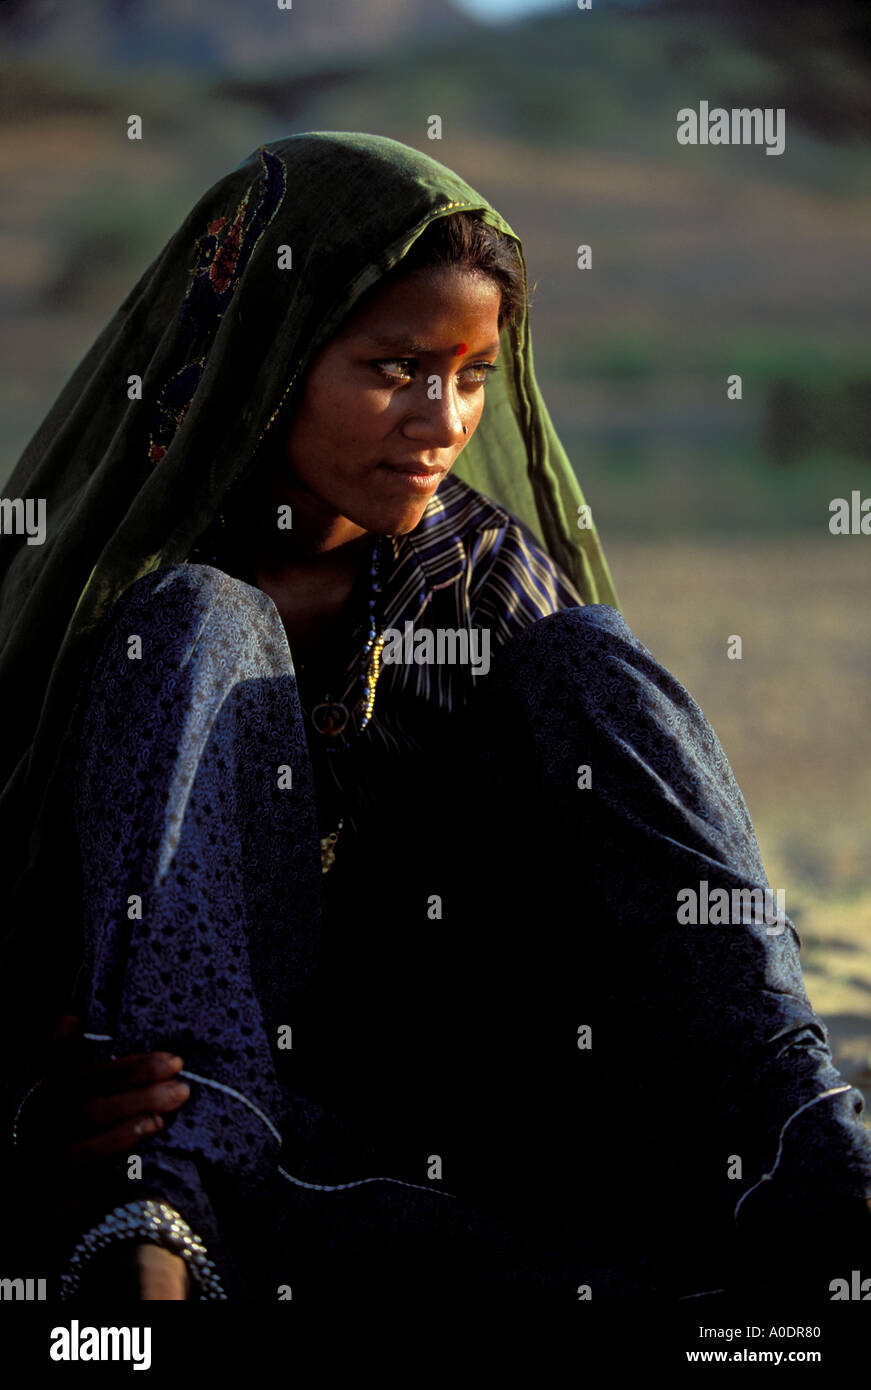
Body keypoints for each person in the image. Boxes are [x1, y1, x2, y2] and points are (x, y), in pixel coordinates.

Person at [2, 132, 870, 1305]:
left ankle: (801, 1149)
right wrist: (37, 1098)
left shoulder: (476, 574)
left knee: (592, 654)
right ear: (267, 356)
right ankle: (162, 1215)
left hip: (465, 1087)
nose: (442, 418)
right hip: (207, 1109)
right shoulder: (112, 579)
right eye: (394, 366)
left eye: (471, 375)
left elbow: (612, 852)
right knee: (199, 618)